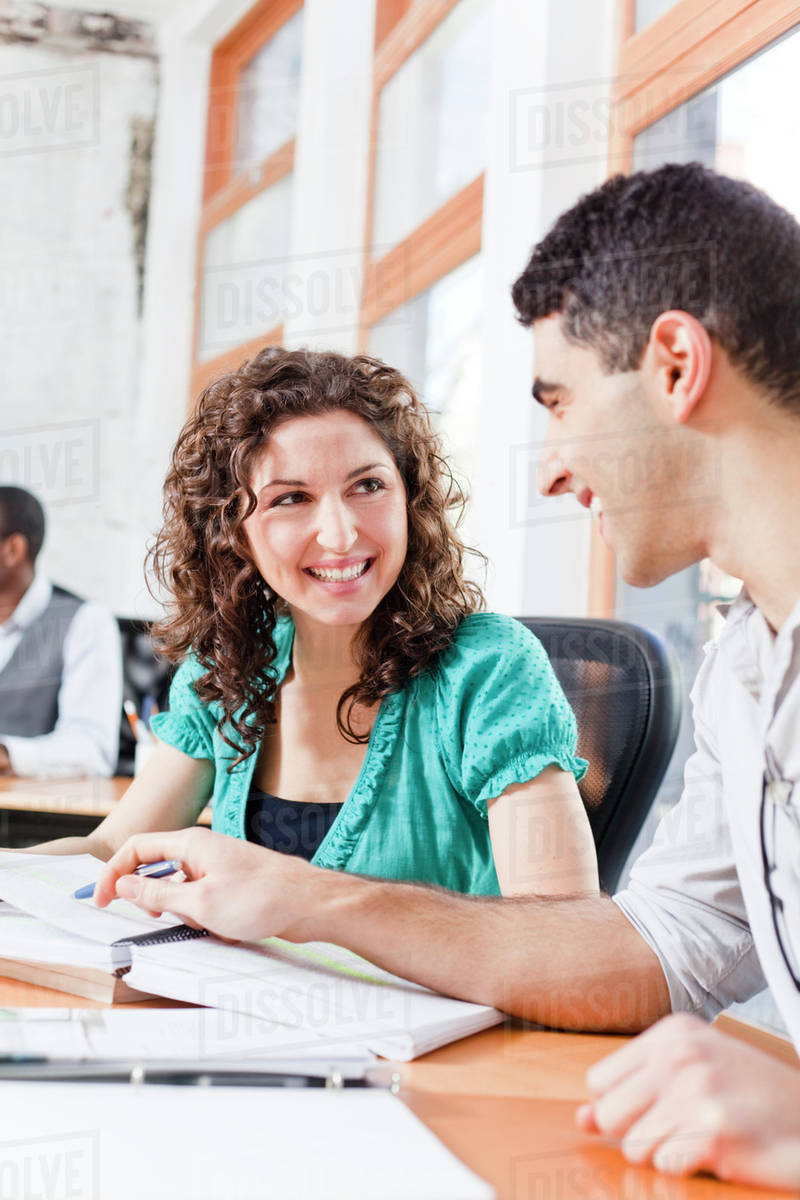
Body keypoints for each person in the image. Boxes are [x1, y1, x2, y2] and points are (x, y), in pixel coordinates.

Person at [95, 163, 800, 1189]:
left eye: (558, 401)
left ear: (675, 364)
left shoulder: (484, 666)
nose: (552, 466)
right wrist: (307, 899)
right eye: (287, 499)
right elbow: (675, 944)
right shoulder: (747, 664)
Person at [38, 348, 598, 899]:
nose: (340, 533)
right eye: (291, 498)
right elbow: (112, 848)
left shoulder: (488, 669)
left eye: (368, 485)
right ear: (234, 531)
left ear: (410, 497)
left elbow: (560, 936)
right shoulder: (230, 669)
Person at [0, 485, 122, 777]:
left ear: (13, 550)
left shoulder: (86, 622)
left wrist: (7, 755)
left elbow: (93, 750)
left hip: (27, 817)